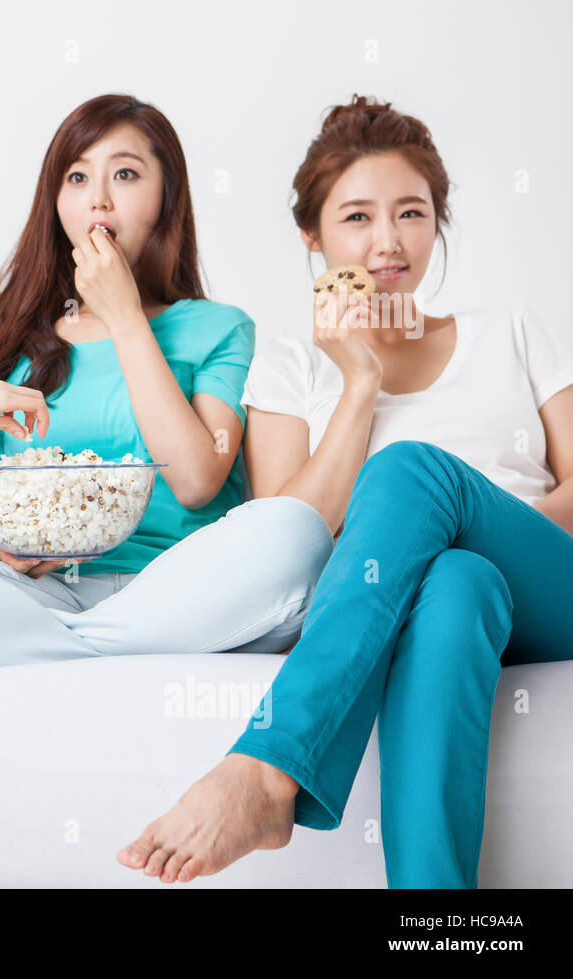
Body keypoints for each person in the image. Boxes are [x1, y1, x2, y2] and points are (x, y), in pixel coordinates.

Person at [121, 95, 573, 888]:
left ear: (439, 223)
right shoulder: (292, 366)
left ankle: (270, 767)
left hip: (552, 578)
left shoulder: (511, 329)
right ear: (313, 235)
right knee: (457, 581)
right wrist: (358, 380)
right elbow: (291, 534)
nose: (389, 241)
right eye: (358, 217)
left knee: (408, 475)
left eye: (412, 212)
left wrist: (477, 515)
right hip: (446, 593)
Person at [0, 93, 334, 665]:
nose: (98, 198)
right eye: (77, 177)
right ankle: (105, 647)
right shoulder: (10, 337)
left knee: (292, 535)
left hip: (179, 585)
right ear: (56, 202)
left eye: (125, 174)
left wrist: (124, 318)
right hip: (42, 592)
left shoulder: (217, 328)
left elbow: (197, 479)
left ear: (167, 198)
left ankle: (58, 650)